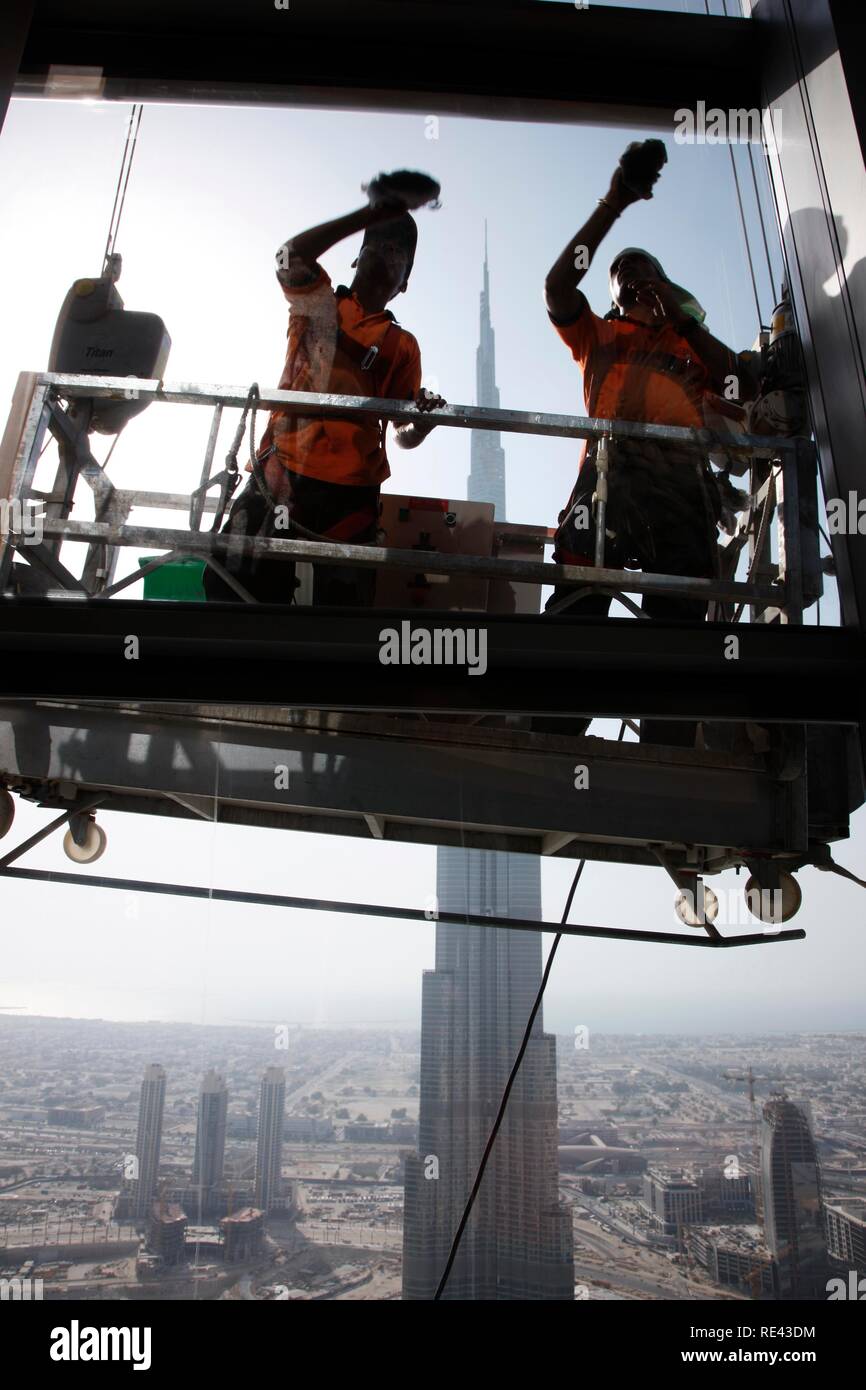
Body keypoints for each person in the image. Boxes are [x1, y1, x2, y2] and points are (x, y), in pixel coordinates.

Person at [543, 148, 758, 744]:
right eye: (623, 277)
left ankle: (667, 742)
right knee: (577, 602)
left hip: (680, 489)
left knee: (679, 615)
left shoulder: (693, 346)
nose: (634, 278)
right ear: (613, 297)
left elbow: (743, 385)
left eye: (645, 270)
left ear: (667, 283)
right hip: (606, 486)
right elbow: (559, 285)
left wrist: (687, 324)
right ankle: (553, 733)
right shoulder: (599, 337)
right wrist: (615, 202)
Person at [205, 172, 445, 606]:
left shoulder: (402, 346)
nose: (389, 254)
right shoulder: (318, 304)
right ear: (358, 256)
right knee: (228, 579)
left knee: (343, 610)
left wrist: (421, 426)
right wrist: (369, 213)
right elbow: (287, 257)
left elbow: (401, 430)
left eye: (400, 254)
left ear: (406, 280)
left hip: (351, 489)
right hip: (283, 470)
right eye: (381, 242)